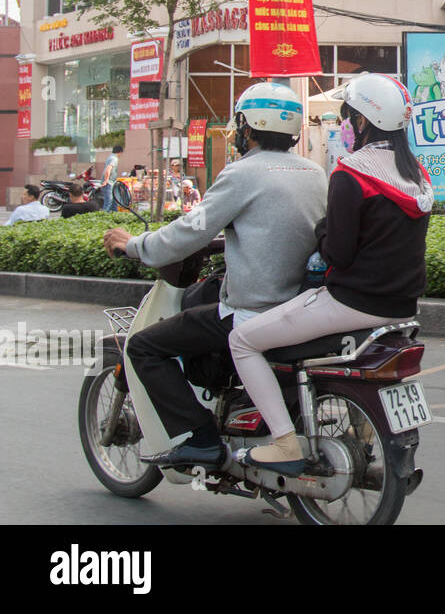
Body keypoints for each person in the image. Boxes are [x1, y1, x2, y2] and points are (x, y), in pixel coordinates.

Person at [101, 83, 327, 469]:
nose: (238, 132)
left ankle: (202, 438)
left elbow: (189, 232)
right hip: (302, 306)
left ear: (250, 126)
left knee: (143, 346)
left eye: (240, 123)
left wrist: (134, 245)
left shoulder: (241, 173)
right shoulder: (315, 172)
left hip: (254, 309)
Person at [228, 73, 433, 475]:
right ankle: (363, 438)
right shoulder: (417, 176)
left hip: (352, 303)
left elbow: (337, 253)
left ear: (359, 121)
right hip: (402, 308)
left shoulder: (351, 174)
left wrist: (321, 230)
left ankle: (285, 443)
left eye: (347, 116)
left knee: (242, 342)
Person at [100, 144, 122, 212]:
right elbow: (108, 169)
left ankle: (114, 217)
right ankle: (104, 218)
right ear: (120, 152)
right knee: (108, 203)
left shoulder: (110, 157)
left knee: (114, 202)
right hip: (109, 183)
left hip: (111, 183)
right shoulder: (114, 158)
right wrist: (106, 180)